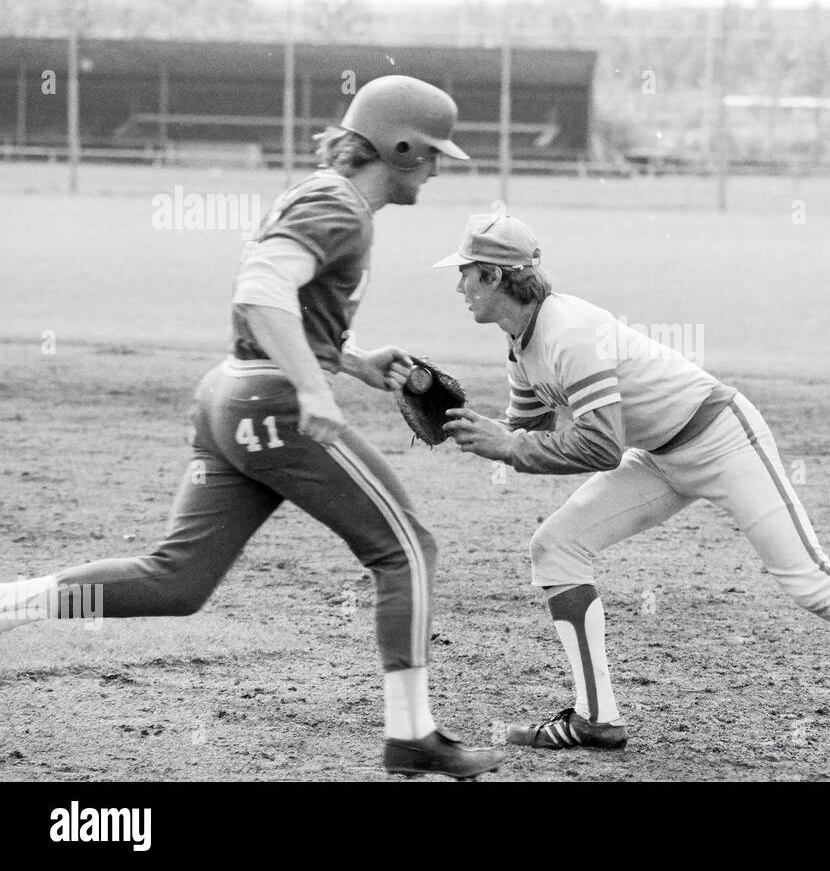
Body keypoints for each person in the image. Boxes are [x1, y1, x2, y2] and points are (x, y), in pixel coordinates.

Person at [0, 76, 505, 780]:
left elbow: (283, 296)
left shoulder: (325, 194)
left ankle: (6, 604)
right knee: (408, 550)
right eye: (434, 152)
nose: (440, 167)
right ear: (399, 146)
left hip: (230, 394)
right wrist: (309, 384)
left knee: (176, 580)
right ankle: (412, 734)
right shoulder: (341, 207)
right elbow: (261, 290)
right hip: (270, 404)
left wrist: (351, 362)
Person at [435, 212, 830, 763]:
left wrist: (508, 445)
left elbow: (598, 447)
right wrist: (462, 422)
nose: (458, 285)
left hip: (722, 439)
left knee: (812, 582)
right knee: (555, 547)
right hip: (660, 457)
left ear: (495, 276)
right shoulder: (521, 342)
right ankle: (596, 718)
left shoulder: (570, 333)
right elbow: (529, 435)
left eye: (465, 273)